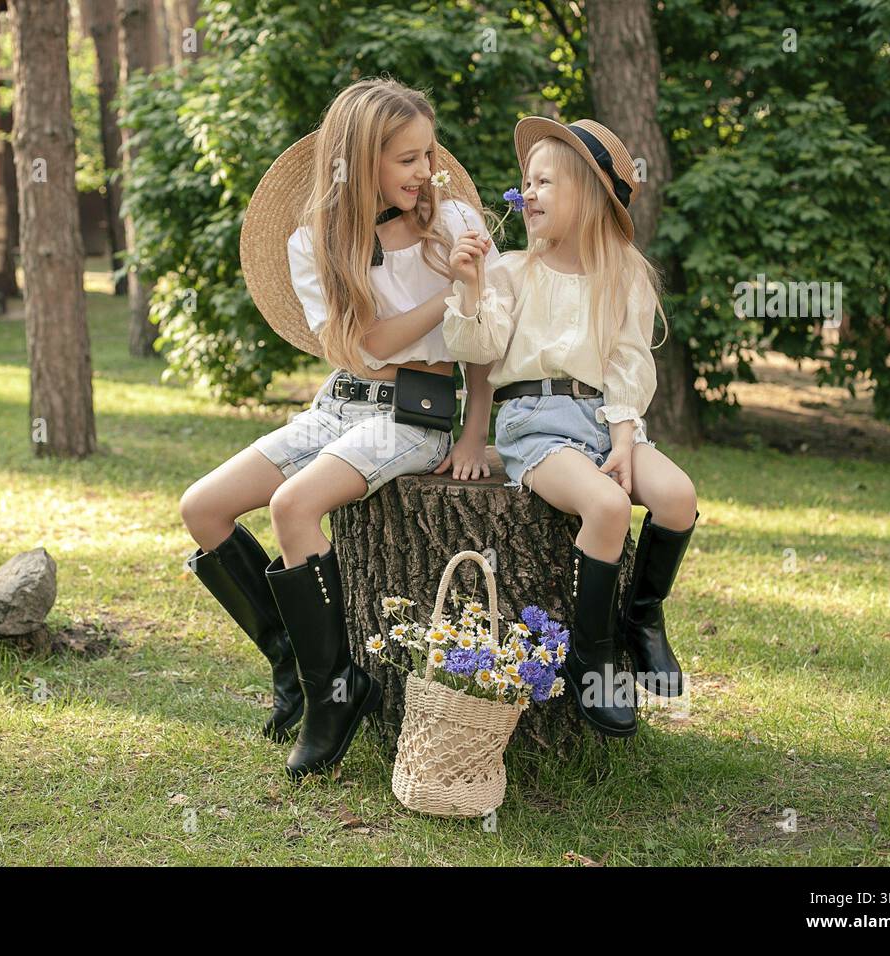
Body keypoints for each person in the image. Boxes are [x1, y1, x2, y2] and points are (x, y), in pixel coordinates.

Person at [180, 78, 499, 779]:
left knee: (294, 504)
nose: (426, 173)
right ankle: (296, 662)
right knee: (200, 507)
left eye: (427, 155)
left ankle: (335, 694)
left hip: (418, 411)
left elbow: (483, 344)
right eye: (408, 159)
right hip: (339, 403)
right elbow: (355, 350)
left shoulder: (456, 227)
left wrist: (475, 431)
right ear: (361, 162)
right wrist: (438, 305)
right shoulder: (314, 241)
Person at [442, 117, 699, 738]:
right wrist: (471, 285)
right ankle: (593, 658)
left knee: (678, 498)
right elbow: (476, 347)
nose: (526, 193)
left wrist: (623, 443)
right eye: (525, 181)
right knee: (608, 507)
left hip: (607, 418)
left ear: (586, 192)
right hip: (536, 422)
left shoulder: (624, 271)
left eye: (544, 182)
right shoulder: (509, 271)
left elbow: (629, 363)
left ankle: (642, 619)